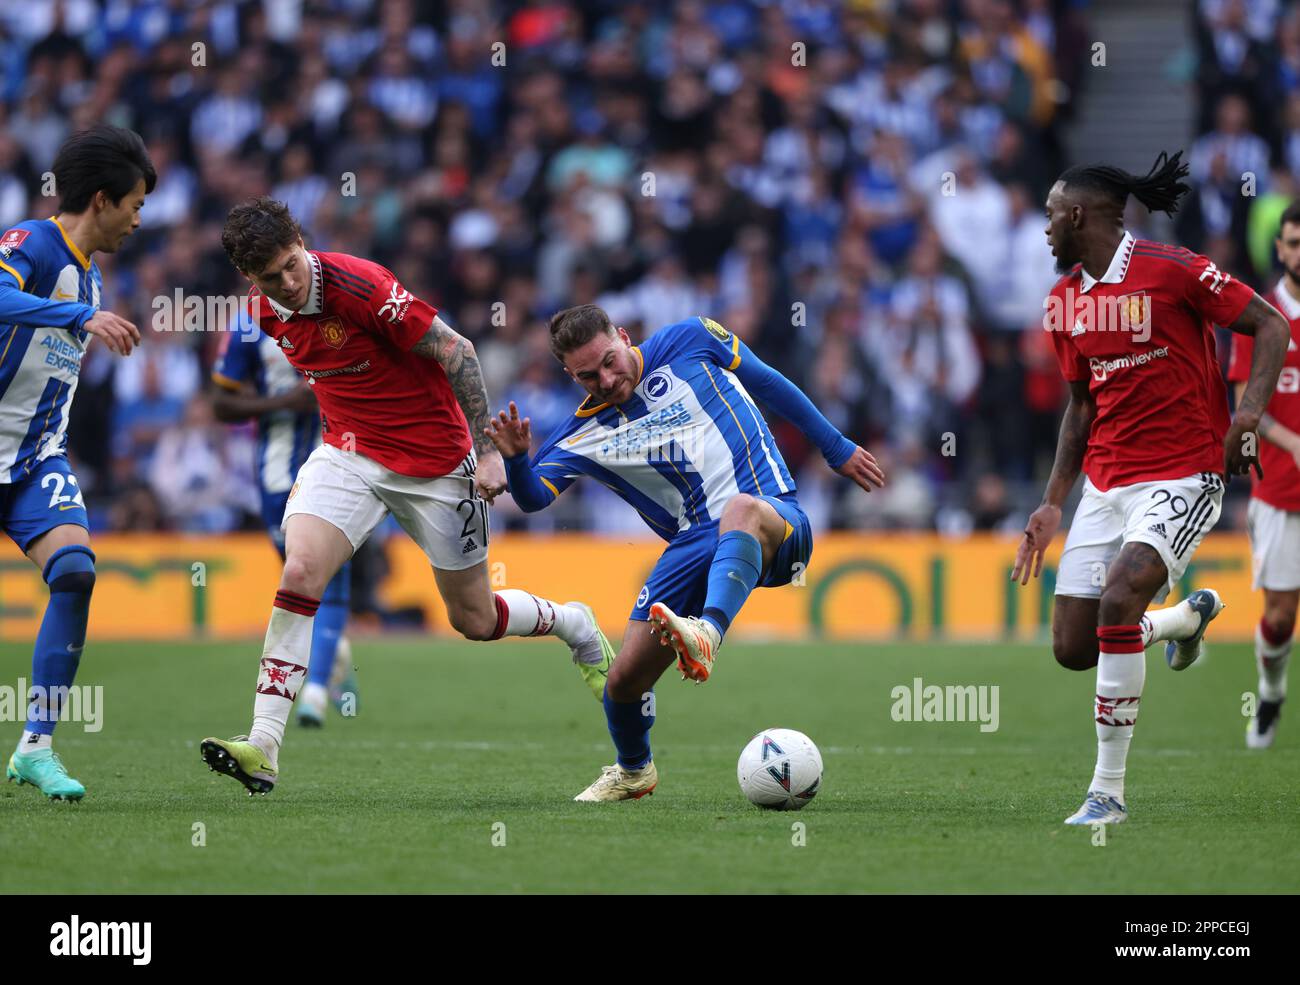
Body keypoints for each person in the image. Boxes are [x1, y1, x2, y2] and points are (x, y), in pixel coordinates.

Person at [201, 199, 612, 796]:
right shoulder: (262, 313)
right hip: (349, 454)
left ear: (301, 241)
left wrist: (489, 451)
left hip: (438, 463)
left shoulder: (362, 286)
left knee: (473, 618)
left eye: (291, 264)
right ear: (249, 279)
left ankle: (574, 623)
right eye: (270, 278)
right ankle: (263, 745)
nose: (286, 284)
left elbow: (458, 352)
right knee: (300, 569)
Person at [486, 305, 884, 802]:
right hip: (691, 546)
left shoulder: (691, 338)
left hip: (772, 515)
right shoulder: (581, 433)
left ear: (624, 336)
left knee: (738, 508)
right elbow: (534, 498)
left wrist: (835, 446)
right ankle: (634, 771)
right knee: (624, 683)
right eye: (588, 375)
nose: (606, 379)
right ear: (570, 375)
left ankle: (708, 632)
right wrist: (518, 460)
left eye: (610, 361)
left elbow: (768, 382)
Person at [1012, 151, 1289, 825]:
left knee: (1118, 593)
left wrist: (1248, 412)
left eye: (1051, 215)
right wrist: (1052, 501)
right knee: (1075, 646)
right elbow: (1080, 408)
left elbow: (1270, 324)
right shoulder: (1063, 301)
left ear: (1080, 216)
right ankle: (1180, 620)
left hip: (1185, 470)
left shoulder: (1175, 269)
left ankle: (1108, 790)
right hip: (1105, 482)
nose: (1044, 228)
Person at [0, 125, 153, 800]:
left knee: (75, 571)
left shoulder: (91, 277)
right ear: (100, 199)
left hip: (34, 462)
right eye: (135, 203)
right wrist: (73, 315)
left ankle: (36, 745)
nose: (139, 219)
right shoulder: (31, 243)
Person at [211, 313, 357, 727]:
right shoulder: (248, 327)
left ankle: (313, 693)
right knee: (302, 578)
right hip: (277, 475)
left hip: (342, 470)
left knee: (328, 579)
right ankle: (332, 653)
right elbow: (220, 403)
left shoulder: (341, 318)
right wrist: (283, 403)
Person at [1228, 202, 1300, 749]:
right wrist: (1293, 443)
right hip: (1280, 490)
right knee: (1280, 616)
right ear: (1279, 248)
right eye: (1294, 243)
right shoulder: (1260, 316)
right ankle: (1270, 691)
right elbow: (1245, 406)